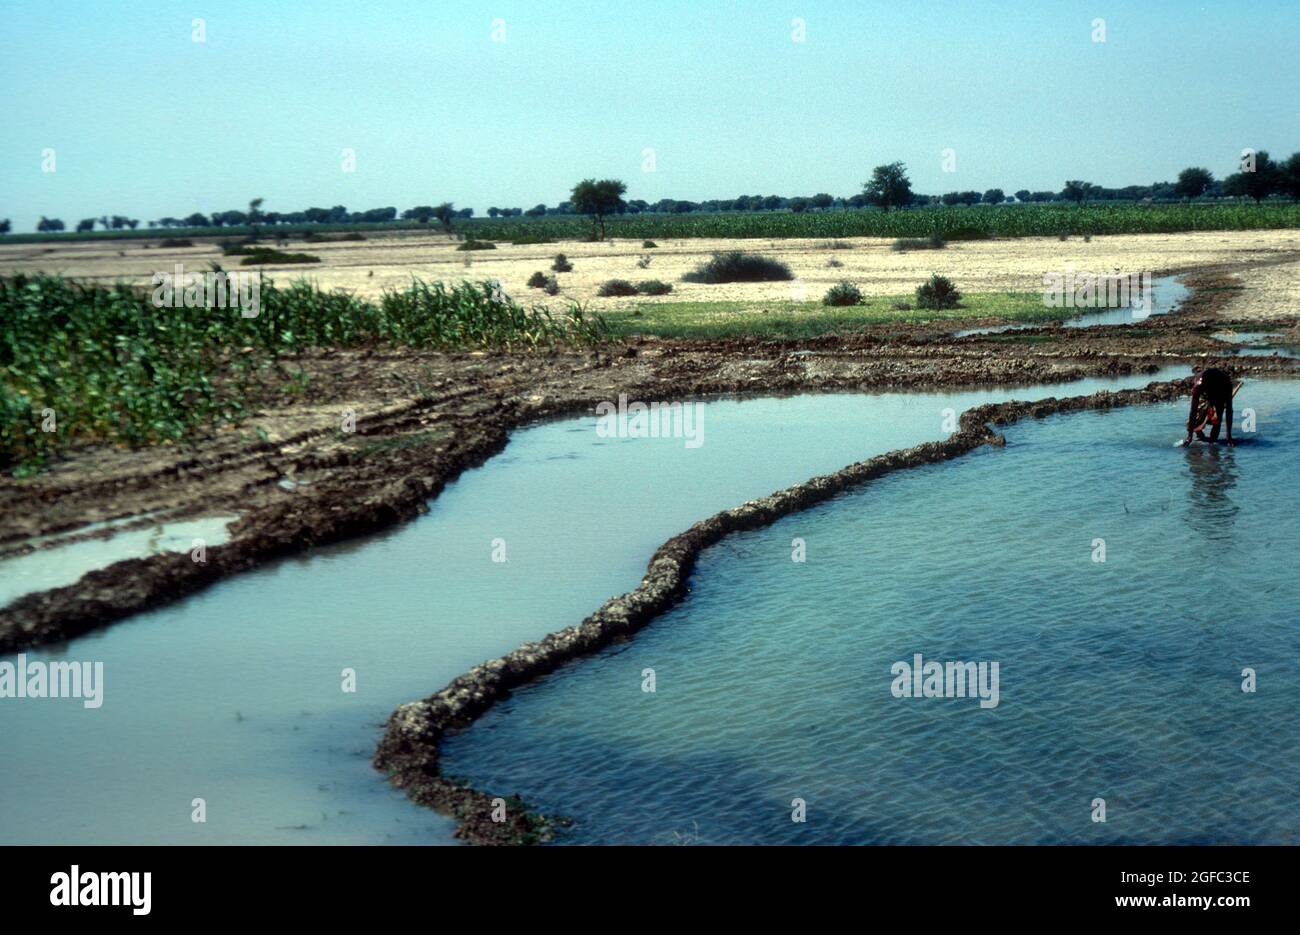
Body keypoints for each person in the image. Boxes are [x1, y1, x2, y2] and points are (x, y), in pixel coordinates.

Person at [1181, 367, 1235, 447]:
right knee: (1195, 419)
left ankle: (1213, 442)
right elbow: (1193, 410)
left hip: (1219, 394)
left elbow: (1229, 411)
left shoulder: (1226, 384)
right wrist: (1189, 436)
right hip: (1204, 394)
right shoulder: (1198, 385)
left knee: (1217, 419)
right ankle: (1199, 435)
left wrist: (1229, 436)